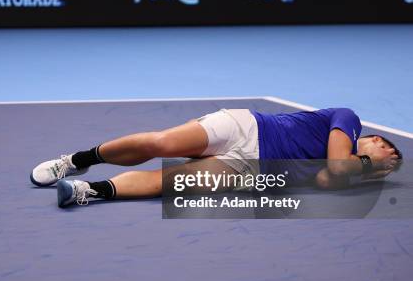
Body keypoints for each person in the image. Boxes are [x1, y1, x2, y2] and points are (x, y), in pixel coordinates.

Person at [30, 108, 403, 207]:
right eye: (386, 150)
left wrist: (363, 172)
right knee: (161, 144)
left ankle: (86, 190)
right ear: (369, 138)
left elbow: (326, 179)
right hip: (246, 127)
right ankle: (77, 159)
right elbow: (337, 166)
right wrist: (368, 166)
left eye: (392, 163)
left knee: (169, 184)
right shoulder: (348, 119)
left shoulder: (348, 171)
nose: (387, 157)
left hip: (253, 166)